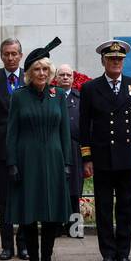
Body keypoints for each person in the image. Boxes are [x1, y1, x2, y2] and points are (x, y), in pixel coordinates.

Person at [80, 40, 131, 261]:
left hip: (128, 157)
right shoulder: (91, 88)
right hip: (101, 158)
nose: (115, 62)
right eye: (111, 59)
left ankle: (123, 253)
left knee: (126, 207)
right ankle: (107, 253)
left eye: (119, 59)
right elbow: (84, 126)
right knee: (103, 208)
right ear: (103, 61)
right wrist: (86, 158)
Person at [6, 43, 71, 261]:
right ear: (29, 73)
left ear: (50, 72)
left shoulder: (59, 95)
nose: (41, 73)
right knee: (30, 214)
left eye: (45, 69)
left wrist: (67, 163)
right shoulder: (19, 96)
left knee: (52, 216)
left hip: (54, 160)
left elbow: (65, 131)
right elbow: (11, 132)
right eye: (37, 69)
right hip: (27, 160)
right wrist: (11, 162)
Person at [0, 38, 29, 260]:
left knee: (25, 196)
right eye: (6, 54)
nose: (10, 58)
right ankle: (7, 245)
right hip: (1, 147)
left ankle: (23, 244)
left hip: (26, 145)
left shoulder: (29, 77)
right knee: (5, 198)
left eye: (14, 54)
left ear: (20, 55)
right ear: (1, 56)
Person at [54, 64, 84, 236]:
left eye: (68, 75)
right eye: (62, 74)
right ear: (56, 78)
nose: (65, 77)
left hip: (74, 148)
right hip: (56, 148)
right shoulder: (50, 97)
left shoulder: (79, 98)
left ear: (73, 78)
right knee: (57, 188)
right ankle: (56, 227)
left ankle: (75, 228)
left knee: (74, 190)